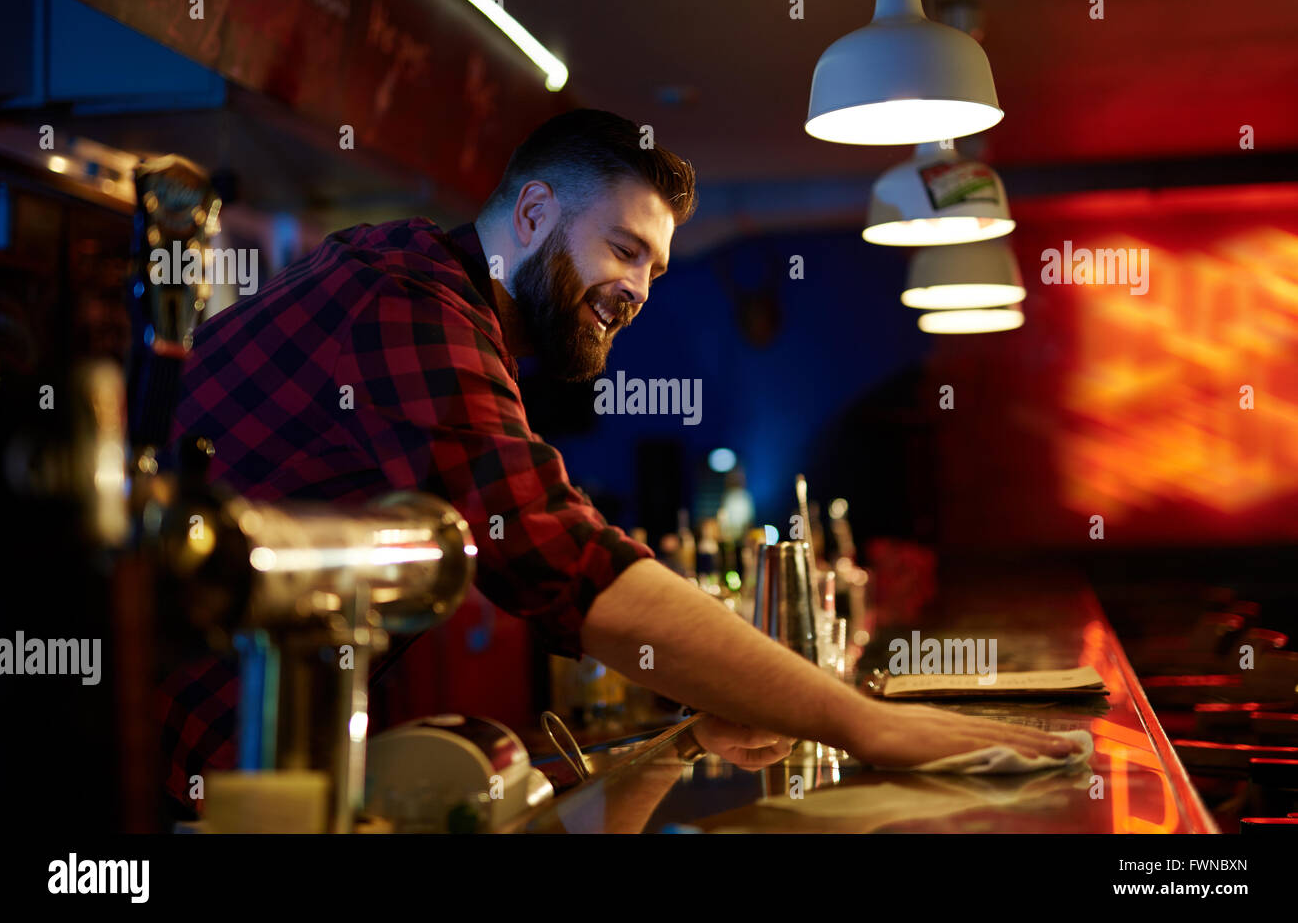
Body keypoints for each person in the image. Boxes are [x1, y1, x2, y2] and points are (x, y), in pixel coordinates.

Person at [161, 109, 1078, 814]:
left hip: (265, 763)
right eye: (624, 248)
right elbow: (554, 553)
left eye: (655, 269)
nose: (637, 289)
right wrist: (869, 724)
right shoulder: (406, 303)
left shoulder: (424, 287)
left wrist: (690, 725)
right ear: (532, 211)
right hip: (179, 777)